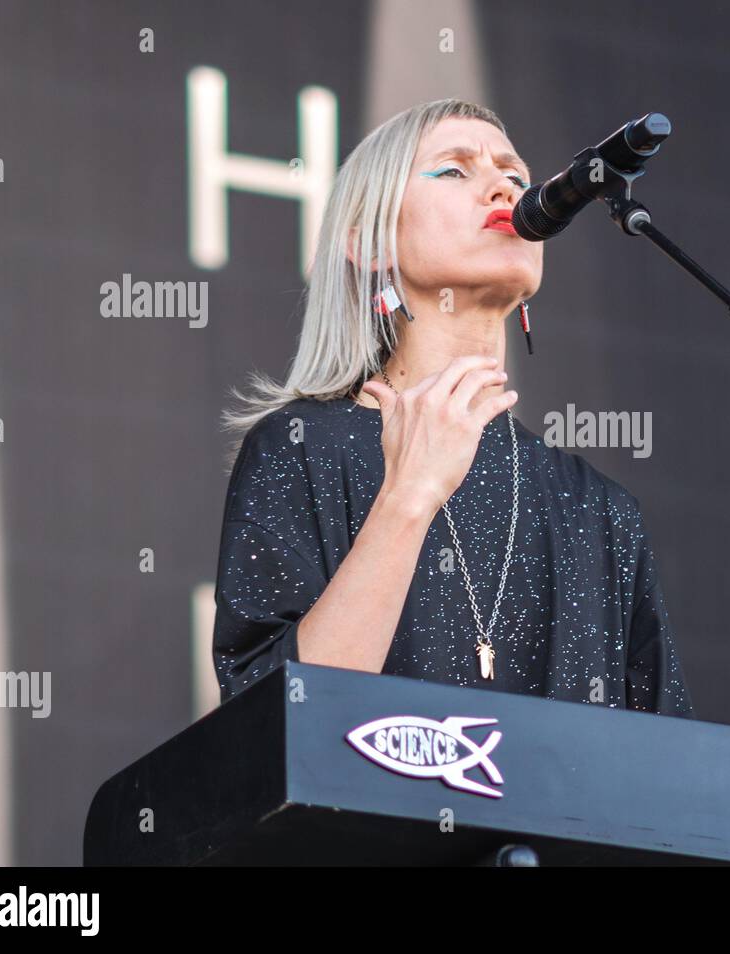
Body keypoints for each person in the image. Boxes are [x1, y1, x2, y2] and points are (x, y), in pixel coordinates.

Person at [212, 98, 693, 719]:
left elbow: (665, 772)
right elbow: (269, 723)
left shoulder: (601, 512)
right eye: (454, 171)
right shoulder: (302, 445)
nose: (503, 187)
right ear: (368, 241)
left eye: (516, 177)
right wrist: (408, 499)